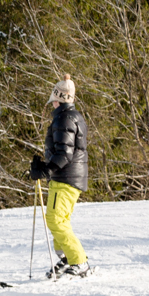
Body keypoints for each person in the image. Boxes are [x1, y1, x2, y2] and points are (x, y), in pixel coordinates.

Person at [29, 75, 90, 279]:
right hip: (67, 176)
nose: (52, 104)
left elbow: (64, 154)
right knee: (58, 218)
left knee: (55, 220)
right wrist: (45, 165)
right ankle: (66, 258)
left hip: (66, 178)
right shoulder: (72, 116)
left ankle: (79, 261)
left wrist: (46, 170)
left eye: (54, 101)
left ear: (60, 99)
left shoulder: (64, 118)